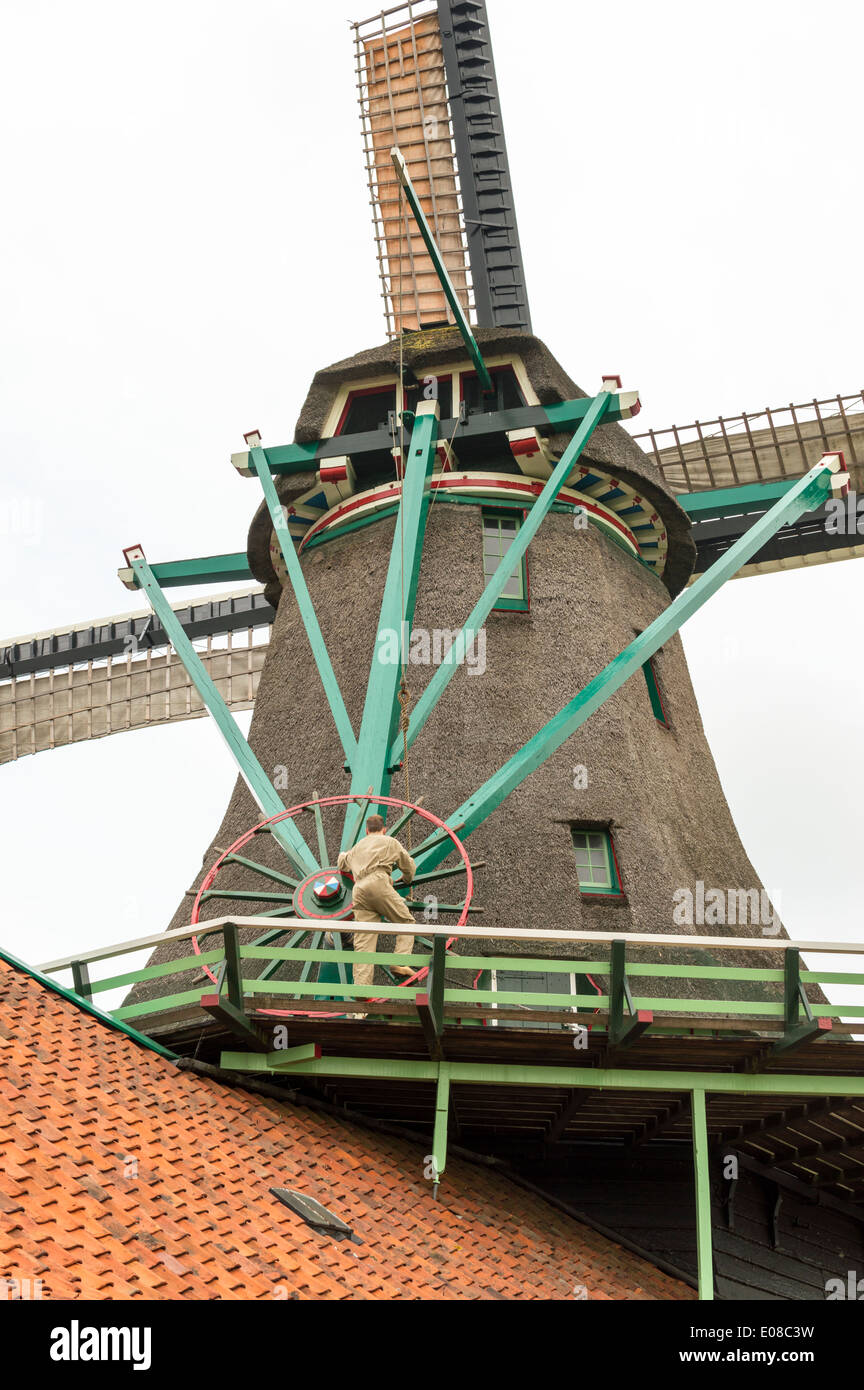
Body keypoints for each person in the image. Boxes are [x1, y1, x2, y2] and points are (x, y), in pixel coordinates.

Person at [337, 814, 417, 991]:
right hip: (378, 882)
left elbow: (342, 863)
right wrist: (407, 878)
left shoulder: (357, 848)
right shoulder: (390, 842)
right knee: (406, 922)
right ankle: (399, 963)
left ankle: (361, 988)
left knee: (364, 940)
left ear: (366, 831)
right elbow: (408, 866)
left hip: (359, 890)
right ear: (384, 829)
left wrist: (344, 855)